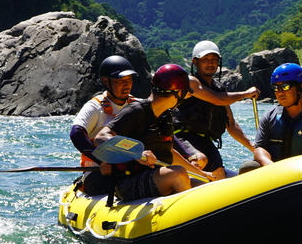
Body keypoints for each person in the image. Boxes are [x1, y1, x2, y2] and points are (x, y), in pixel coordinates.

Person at [78, 63, 194, 202]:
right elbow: (100, 138)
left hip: (156, 175)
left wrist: (204, 174)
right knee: (178, 173)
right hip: (127, 182)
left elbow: (169, 152)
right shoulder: (135, 110)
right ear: (178, 93)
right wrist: (136, 153)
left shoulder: (165, 116)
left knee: (202, 183)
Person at [174, 40, 260, 179]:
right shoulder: (191, 83)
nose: (210, 63)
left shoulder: (219, 89)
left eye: (214, 59)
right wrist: (246, 94)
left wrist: (252, 147)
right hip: (184, 138)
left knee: (219, 173)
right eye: (205, 59)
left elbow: (231, 124)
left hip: (206, 141)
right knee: (200, 160)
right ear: (195, 62)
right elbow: (217, 99)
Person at [247, 62, 302, 170]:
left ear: (300, 86)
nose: (280, 92)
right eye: (276, 88)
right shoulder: (269, 116)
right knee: (247, 167)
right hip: (272, 171)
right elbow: (259, 148)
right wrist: (271, 167)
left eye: (285, 86)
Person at [70, 54, 137, 166]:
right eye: (120, 80)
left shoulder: (137, 105)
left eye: (129, 79)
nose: (126, 85)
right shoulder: (95, 107)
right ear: (106, 81)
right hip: (98, 171)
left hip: (130, 170)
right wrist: (101, 162)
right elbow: (76, 133)